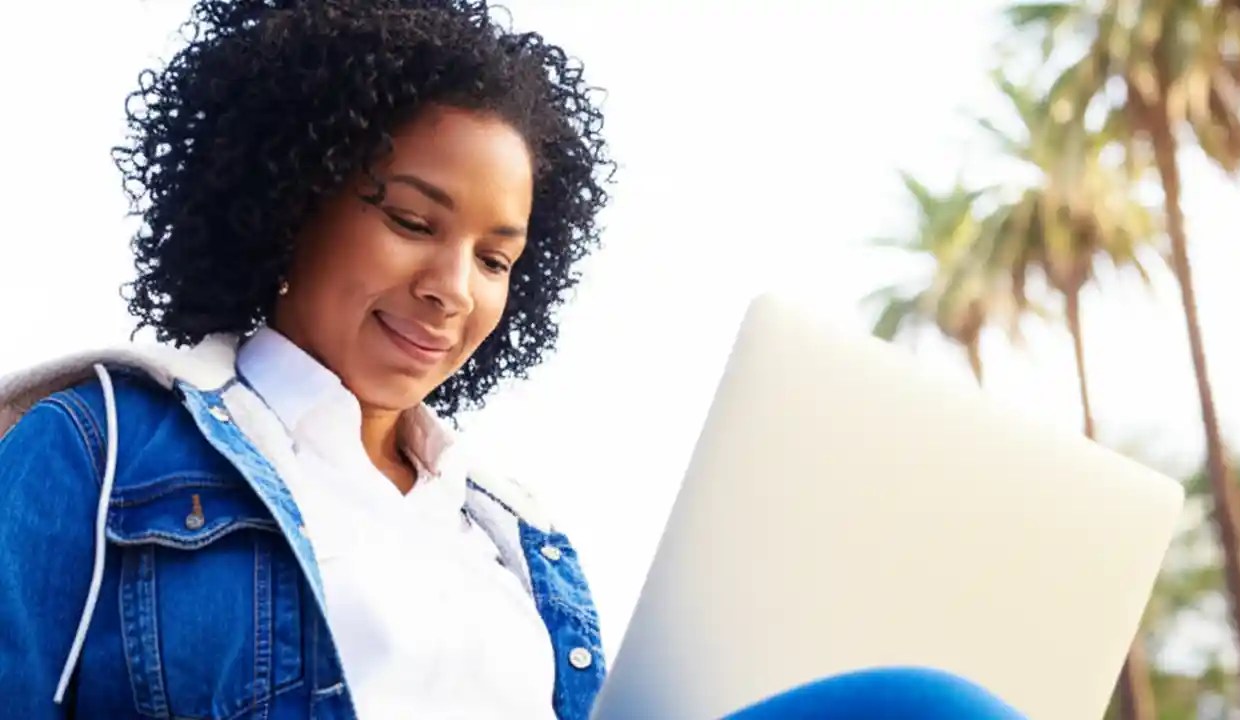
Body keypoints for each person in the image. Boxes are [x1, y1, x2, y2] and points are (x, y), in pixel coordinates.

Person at [0, 1, 1023, 717]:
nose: (453, 287)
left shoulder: (510, 538)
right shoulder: (98, 449)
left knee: (929, 707)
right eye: (410, 220)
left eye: (496, 258)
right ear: (290, 194)